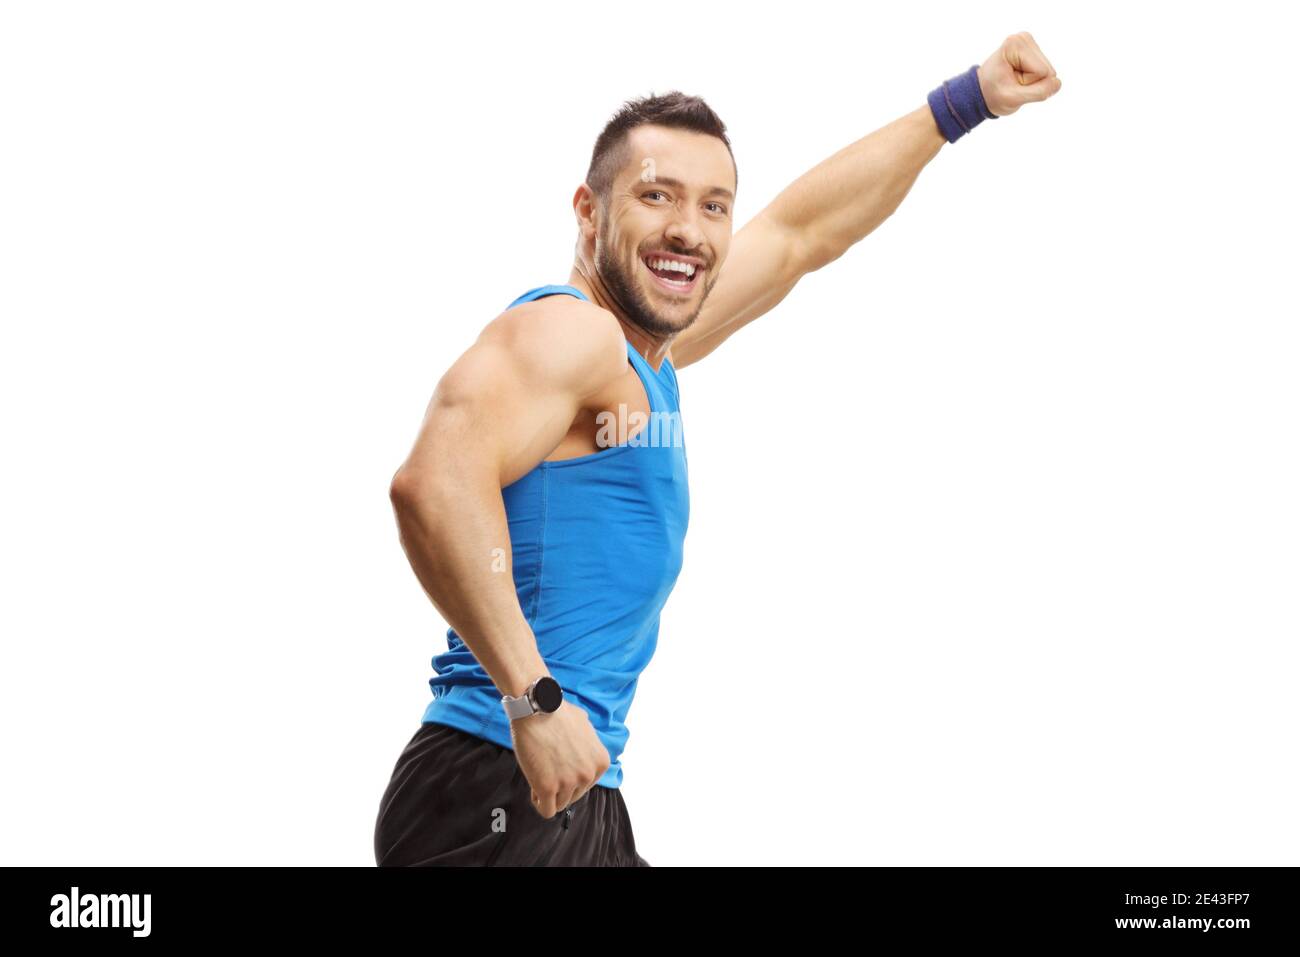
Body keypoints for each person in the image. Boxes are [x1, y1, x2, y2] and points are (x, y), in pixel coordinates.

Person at [374, 33, 1062, 866]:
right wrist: (535, 701)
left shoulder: (643, 355)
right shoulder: (573, 332)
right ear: (590, 213)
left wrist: (967, 102)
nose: (688, 230)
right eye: (657, 196)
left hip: (564, 786)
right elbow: (433, 482)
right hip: (496, 779)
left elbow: (803, 232)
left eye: (713, 205)